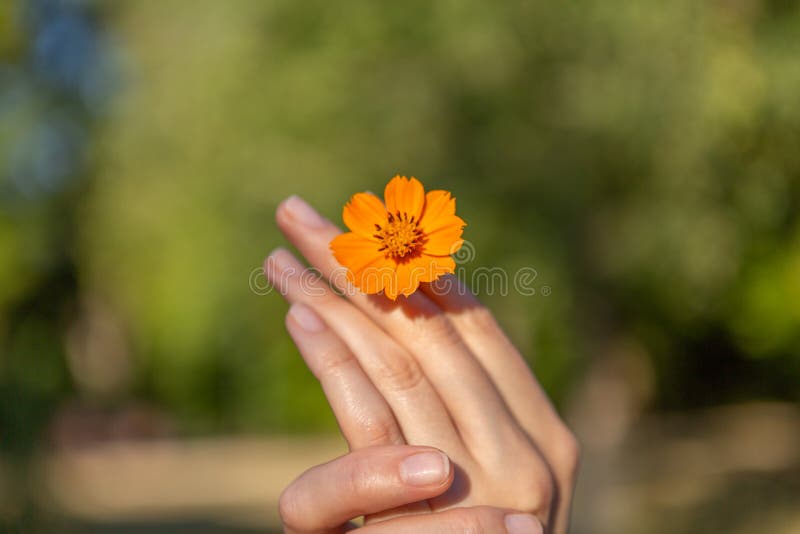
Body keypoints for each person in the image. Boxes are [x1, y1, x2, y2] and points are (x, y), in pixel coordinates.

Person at [264, 196, 580, 533]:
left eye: (402, 233)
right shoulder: (373, 257)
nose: (399, 238)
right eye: (393, 234)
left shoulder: (428, 249)